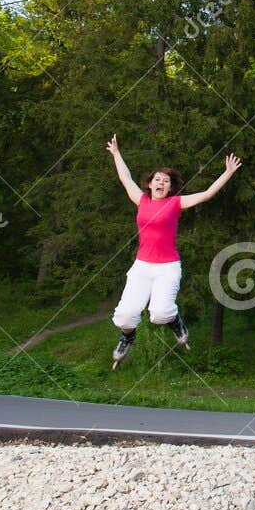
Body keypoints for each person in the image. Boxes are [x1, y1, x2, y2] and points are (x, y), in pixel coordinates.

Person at [107, 135, 241, 369]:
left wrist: (227, 172)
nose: (161, 183)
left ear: (170, 187)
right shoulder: (141, 200)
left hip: (167, 267)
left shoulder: (176, 203)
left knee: (159, 313)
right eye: (157, 179)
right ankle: (127, 337)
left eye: (166, 181)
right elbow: (125, 178)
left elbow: (207, 194)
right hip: (142, 266)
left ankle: (176, 322)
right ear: (150, 184)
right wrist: (117, 153)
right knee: (124, 316)